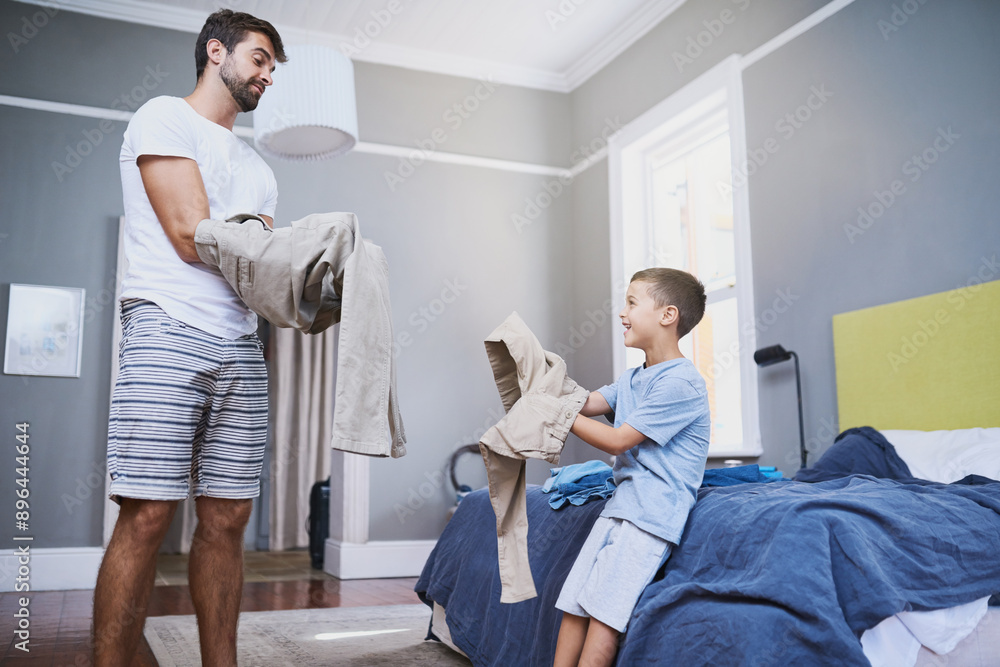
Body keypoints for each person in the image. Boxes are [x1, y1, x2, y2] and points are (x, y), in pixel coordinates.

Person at [91, 10, 286, 666]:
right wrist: (260, 242)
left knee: (228, 521)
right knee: (147, 515)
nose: (267, 75)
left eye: (273, 67)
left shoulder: (261, 170)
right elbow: (190, 232)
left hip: (241, 342)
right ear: (215, 50)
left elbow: (259, 265)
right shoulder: (162, 118)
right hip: (165, 326)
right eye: (259, 58)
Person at [553, 267, 711, 667]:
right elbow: (587, 403)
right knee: (574, 604)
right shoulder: (632, 378)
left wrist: (551, 415)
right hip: (622, 506)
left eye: (631, 302)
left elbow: (619, 438)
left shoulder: (682, 382)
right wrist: (545, 378)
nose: (621, 312)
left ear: (667, 315)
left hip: (652, 515)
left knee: (605, 614)